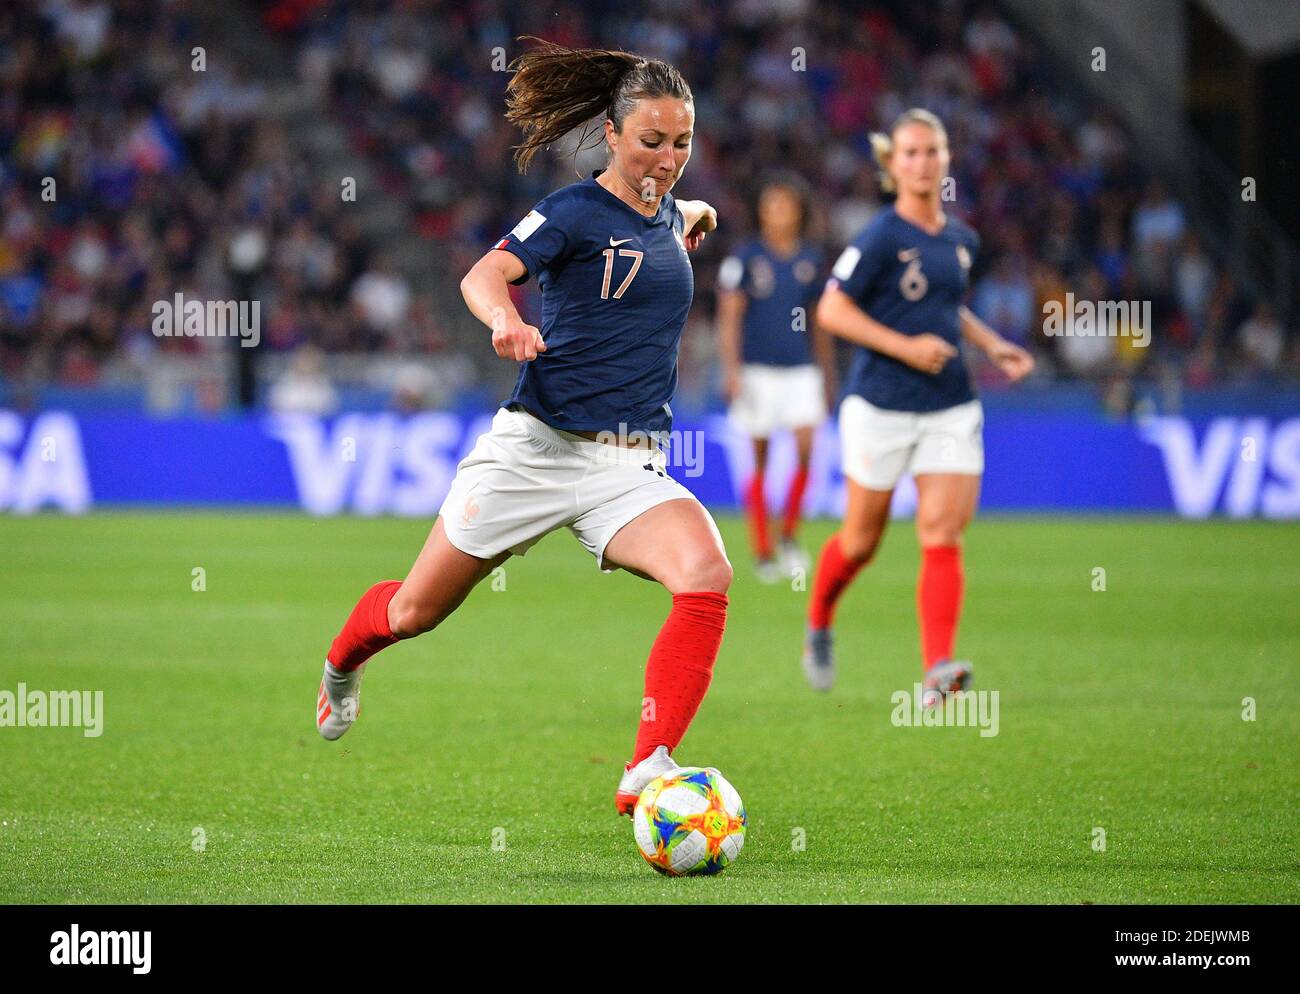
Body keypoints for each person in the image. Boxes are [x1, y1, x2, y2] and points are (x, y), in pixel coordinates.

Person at [315, 39, 731, 816]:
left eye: (682, 143)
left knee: (706, 574)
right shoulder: (573, 212)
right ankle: (342, 662)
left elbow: (676, 218)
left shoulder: (672, 211)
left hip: (626, 463)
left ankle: (648, 766)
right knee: (415, 612)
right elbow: (483, 274)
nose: (668, 158)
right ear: (610, 135)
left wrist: (696, 214)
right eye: (651, 142)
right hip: (535, 449)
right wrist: (505, 320)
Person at [802, 109, 1034, 703]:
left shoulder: (961, 240)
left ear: (946, 159)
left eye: (932, 151)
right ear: (892, 165)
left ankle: (937, 667)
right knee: (860, 542)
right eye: (910, 153)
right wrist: (905, 347)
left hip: (951, 404)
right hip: (880, 404)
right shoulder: (880, 236)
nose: (922, 162)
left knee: (941, 530)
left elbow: (944, 308)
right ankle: (820, 623)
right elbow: (832, 311)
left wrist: (991, 344)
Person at [716, 176, 836, 582]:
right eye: (770, 206)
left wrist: (827, 373)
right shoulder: (747, 257)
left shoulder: (812, 260)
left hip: (802, 370)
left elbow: (821, 322)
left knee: (805, 450)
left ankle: (788, 536)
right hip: (757, 372)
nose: (777, 213)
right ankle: (763, 550)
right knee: (761, 458)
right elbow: (730, 316)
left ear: (798, 212)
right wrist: (731, 370)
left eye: (784, 206)